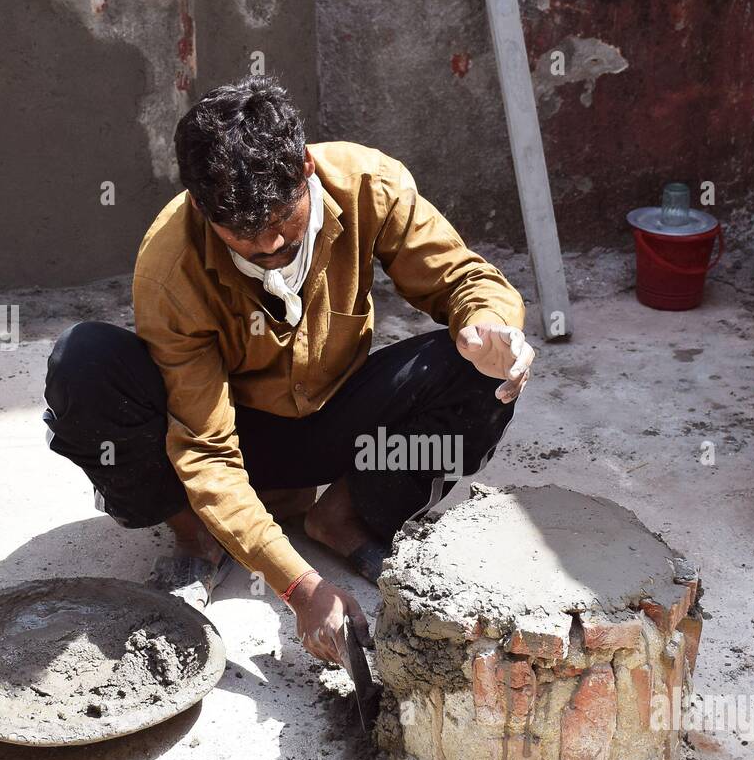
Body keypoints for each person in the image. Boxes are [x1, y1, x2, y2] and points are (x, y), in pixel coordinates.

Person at [43, 76, 534, 664]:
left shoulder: (368, 184)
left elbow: (463, 279)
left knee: (477, 368)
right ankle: (197, 535)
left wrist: (487, 326)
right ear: (201, 208)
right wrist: (299, 588)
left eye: (283, 217)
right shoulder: (169, 265)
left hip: (338, 419)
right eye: (245, 235)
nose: (272, 244)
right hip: (235, 435)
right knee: (84, 363)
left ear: (305, 168)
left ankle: (344, 515)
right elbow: (205, 448)